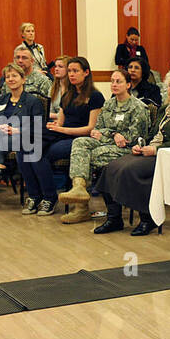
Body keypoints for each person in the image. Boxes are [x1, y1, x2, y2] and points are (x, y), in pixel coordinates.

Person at [94, 69, 170, 236]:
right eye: (169, 86)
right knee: (110, 167)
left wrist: (155, 149)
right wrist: (140, 144)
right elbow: (152, 134)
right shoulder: (164, 109)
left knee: (130, 171)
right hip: (150, 152)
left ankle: (148, 219)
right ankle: (114, 218)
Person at [58, 69, 150, 225]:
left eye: (118, 81)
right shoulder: (109, 104)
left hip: (129, 149)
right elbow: (97, 129)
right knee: (80, 142)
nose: (114, 85)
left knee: (89, 156)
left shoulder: (137, 107)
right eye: (112, 81)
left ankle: (82, 208)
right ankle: (79, 188)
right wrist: (113, 134)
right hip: (108, 142)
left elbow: (132, 137)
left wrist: (109, 134)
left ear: (128, 85)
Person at [0, 63, 45, 212]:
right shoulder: (2, 100)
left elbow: (38, 126)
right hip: (1, 137)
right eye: (7, 76)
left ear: (23, 79)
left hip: (21, 137)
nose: (10, 79)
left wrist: (16, 130)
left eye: (14, 76)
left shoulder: (32, 101)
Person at [44, 56, 102, 195]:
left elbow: (91, 128)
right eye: (69, 71)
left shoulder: (95, 96)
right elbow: (60, 121)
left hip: (79, 139)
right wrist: (54, 126)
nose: (71, 74)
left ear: (86, 72)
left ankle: (49, 194)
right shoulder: (67, 95)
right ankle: (38, 193)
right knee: (31, 146)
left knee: (44, 153)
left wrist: (61, 129)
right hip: (62, 134)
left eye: (75, 71)